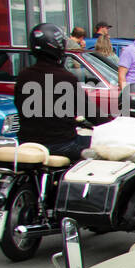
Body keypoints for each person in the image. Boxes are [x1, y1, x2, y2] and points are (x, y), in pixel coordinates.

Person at [14, 22, 87, 163]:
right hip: (61, 144)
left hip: (26, 143)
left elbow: (18, 104)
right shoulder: (66, 78)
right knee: (95, 147)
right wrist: (113, 122)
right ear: (58, 46)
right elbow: (90, 111)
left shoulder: (23, 76)